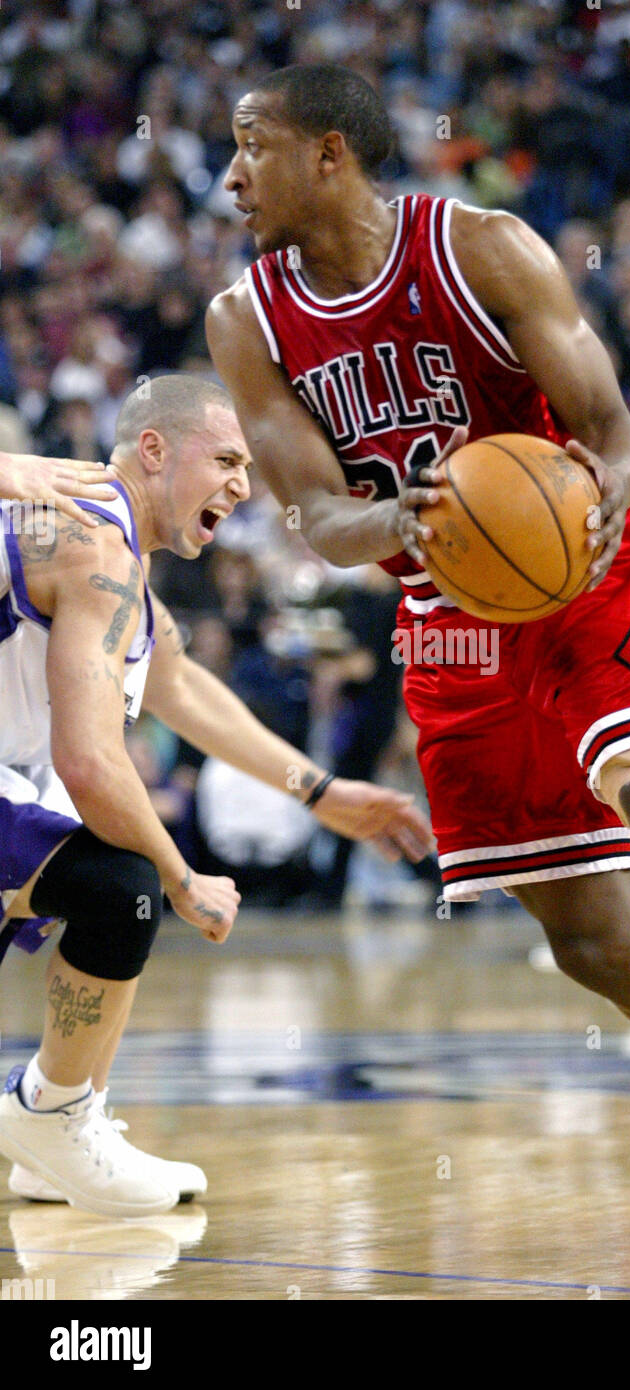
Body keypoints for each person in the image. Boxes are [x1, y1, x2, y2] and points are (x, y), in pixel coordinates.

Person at [205, 64, 630, 1279]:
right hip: (446, 612)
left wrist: (587, 506)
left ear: (328, 154)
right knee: (590, 943)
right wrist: (402, 523)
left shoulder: (484, 250)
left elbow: (621, 439)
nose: (228, 174)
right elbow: (314, 510)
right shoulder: (245, 319)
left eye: (251, 146)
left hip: (578, 561)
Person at [0, 374, 433, 1217]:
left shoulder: (114, 562)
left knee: (108, 872)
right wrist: (180, 876)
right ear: (153, 450)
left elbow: (183, 688)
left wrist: (319, 790)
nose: (244, 483)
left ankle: (51, 1127)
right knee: (123, 882)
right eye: (227, 459)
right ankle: (53, 1117)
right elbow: (90, 763)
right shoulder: (93, 551)